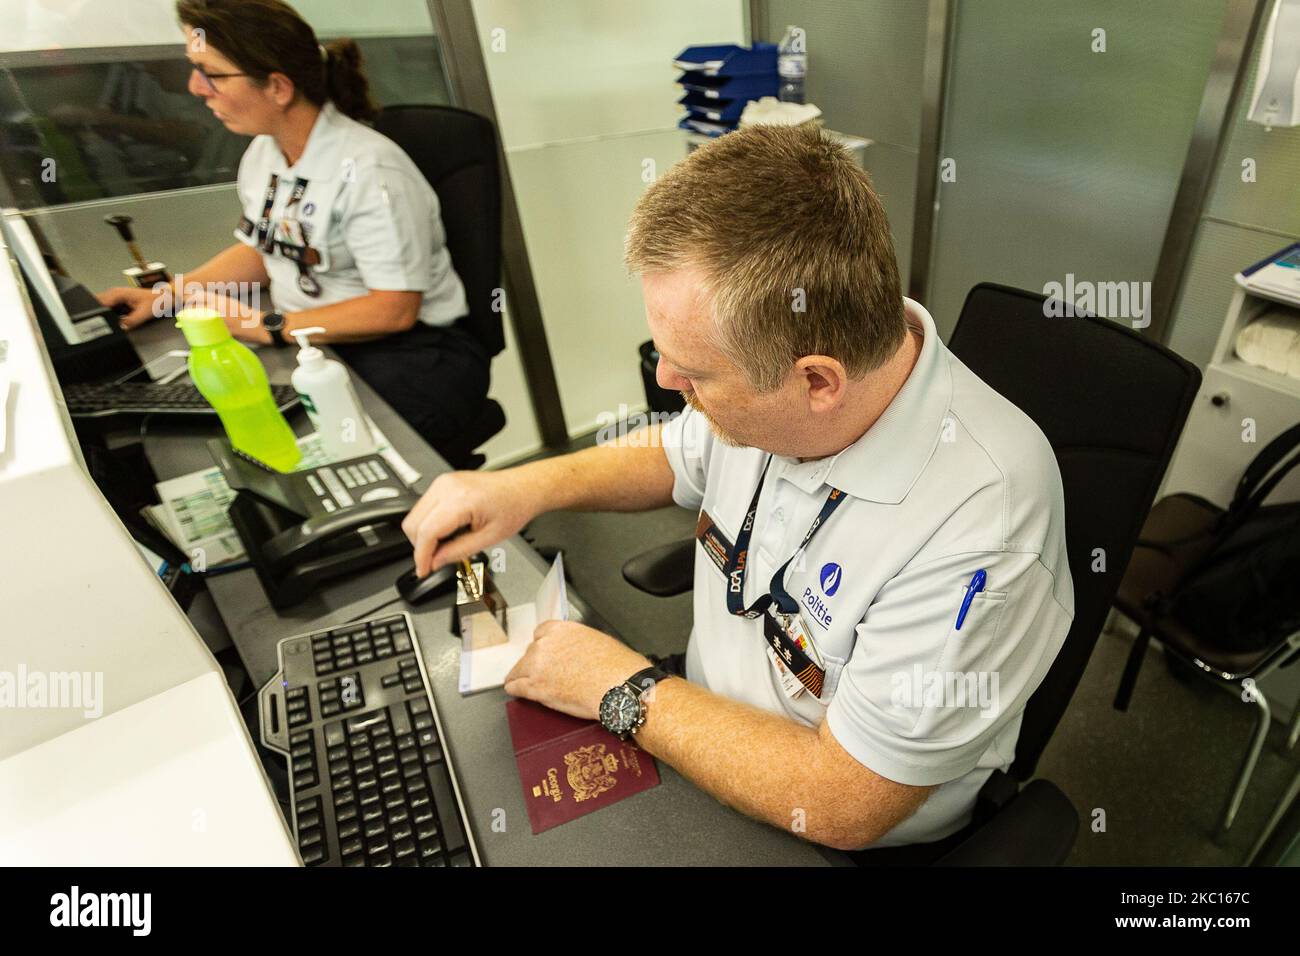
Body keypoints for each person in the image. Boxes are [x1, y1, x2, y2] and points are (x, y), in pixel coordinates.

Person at [401, 123, 1075, 859]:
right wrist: (521, 488)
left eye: (694, 372)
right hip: (692, 723)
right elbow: (670, 453)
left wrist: (617, 685)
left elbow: (841, 801)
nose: (664, 381)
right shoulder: (774, 396)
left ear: (818, 381)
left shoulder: (982, 522)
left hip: (822, 832)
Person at [97, 0, 490, 468]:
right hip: (317, 342)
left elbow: (394, 309)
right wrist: (170, 295)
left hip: (413, 355)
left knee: (292, 459)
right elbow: (263, 252)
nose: (195, 88)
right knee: (228, 432)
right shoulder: (264, 154)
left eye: (211, 74)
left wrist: (266, 328)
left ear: (278, 87)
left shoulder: (370, 169)